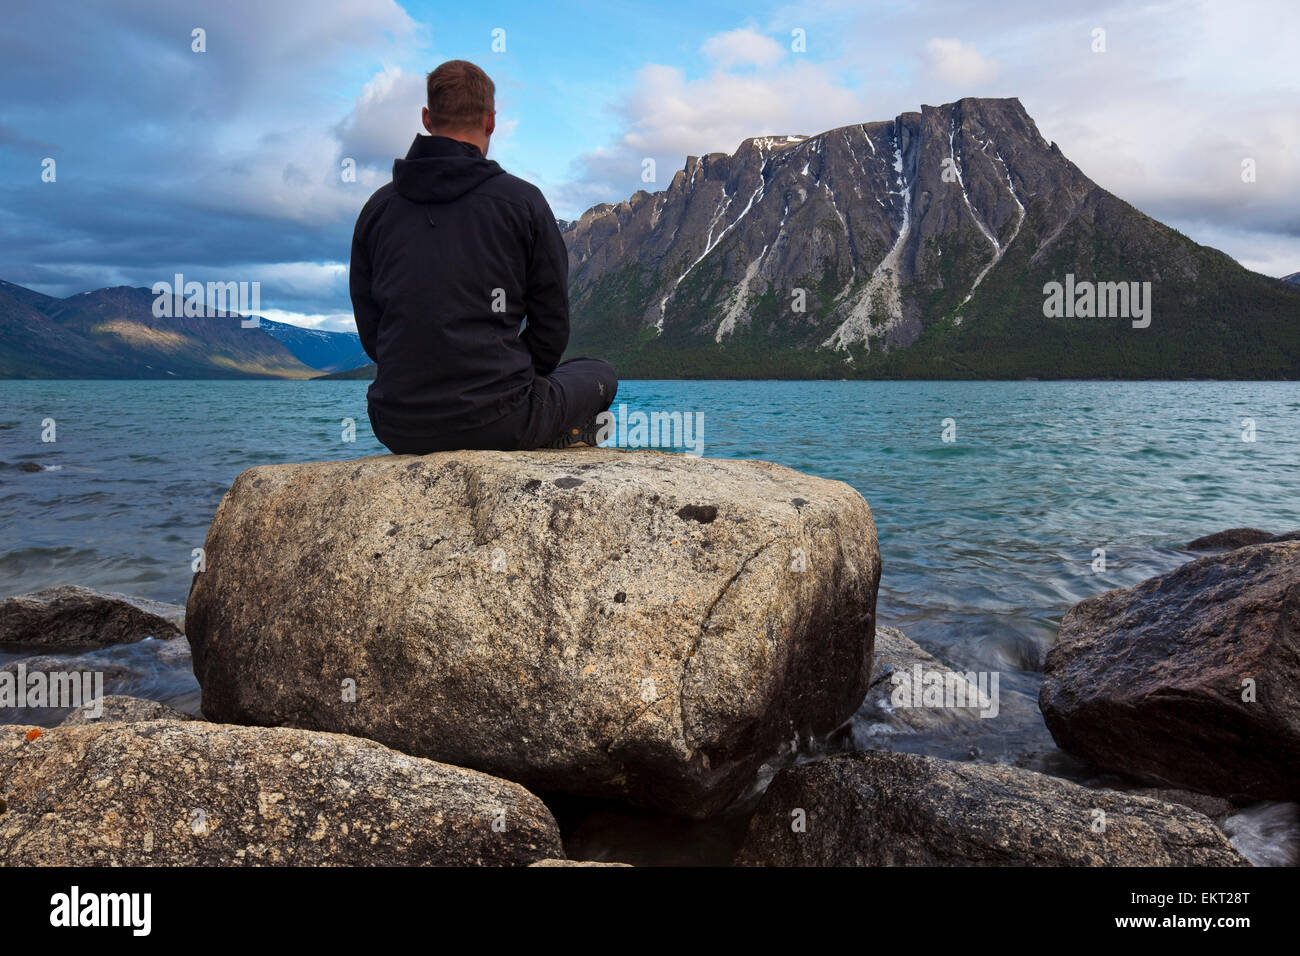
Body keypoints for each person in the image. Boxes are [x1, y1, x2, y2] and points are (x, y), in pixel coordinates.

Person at [349, 59, 617, 455]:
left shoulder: (377, 208)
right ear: (491, 121)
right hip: (501, 420)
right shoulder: (522, 202)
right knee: (600, 373)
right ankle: (555, 433)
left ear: (426, 118)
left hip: (396, 423)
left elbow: (371, 327)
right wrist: (506, 380)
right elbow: (552, 326)